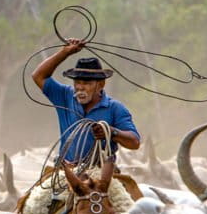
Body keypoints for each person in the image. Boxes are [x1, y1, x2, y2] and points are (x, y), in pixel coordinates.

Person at [32, 38, 141, 189]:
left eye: (87, 83)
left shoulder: (115, 108)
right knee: (35, 202)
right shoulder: (65, 96)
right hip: (66, 174)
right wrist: (65, 52)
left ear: (100, 84)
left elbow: (134, 142)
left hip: (102, 178)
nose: (80, 88)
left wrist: (111, 132)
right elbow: (38, 76)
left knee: (124, 202)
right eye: (78, 82)